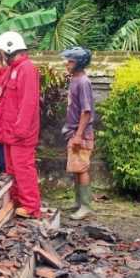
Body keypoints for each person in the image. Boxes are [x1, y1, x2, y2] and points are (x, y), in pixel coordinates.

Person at [0, 31, 41, 218]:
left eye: (2, 53)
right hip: (11, 132)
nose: (2, 57)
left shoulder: (26, 69)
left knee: (23, 169)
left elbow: (28, 102)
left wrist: (20, 130)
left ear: (9, 50)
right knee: (13, 169)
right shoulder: (14, 69)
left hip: (20, 133)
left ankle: (31, 207)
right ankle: (19, 201)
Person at [61, 47, 96, 220]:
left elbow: (86, 111)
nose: (67, 64)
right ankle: (79, 202)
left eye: (71, 61)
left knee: (81, 168)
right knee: (76, 168)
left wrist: (78, 135)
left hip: (80, 133)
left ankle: (86, 206)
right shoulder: (75, 79)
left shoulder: (83, 82)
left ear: (79, 63)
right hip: (73, 131)